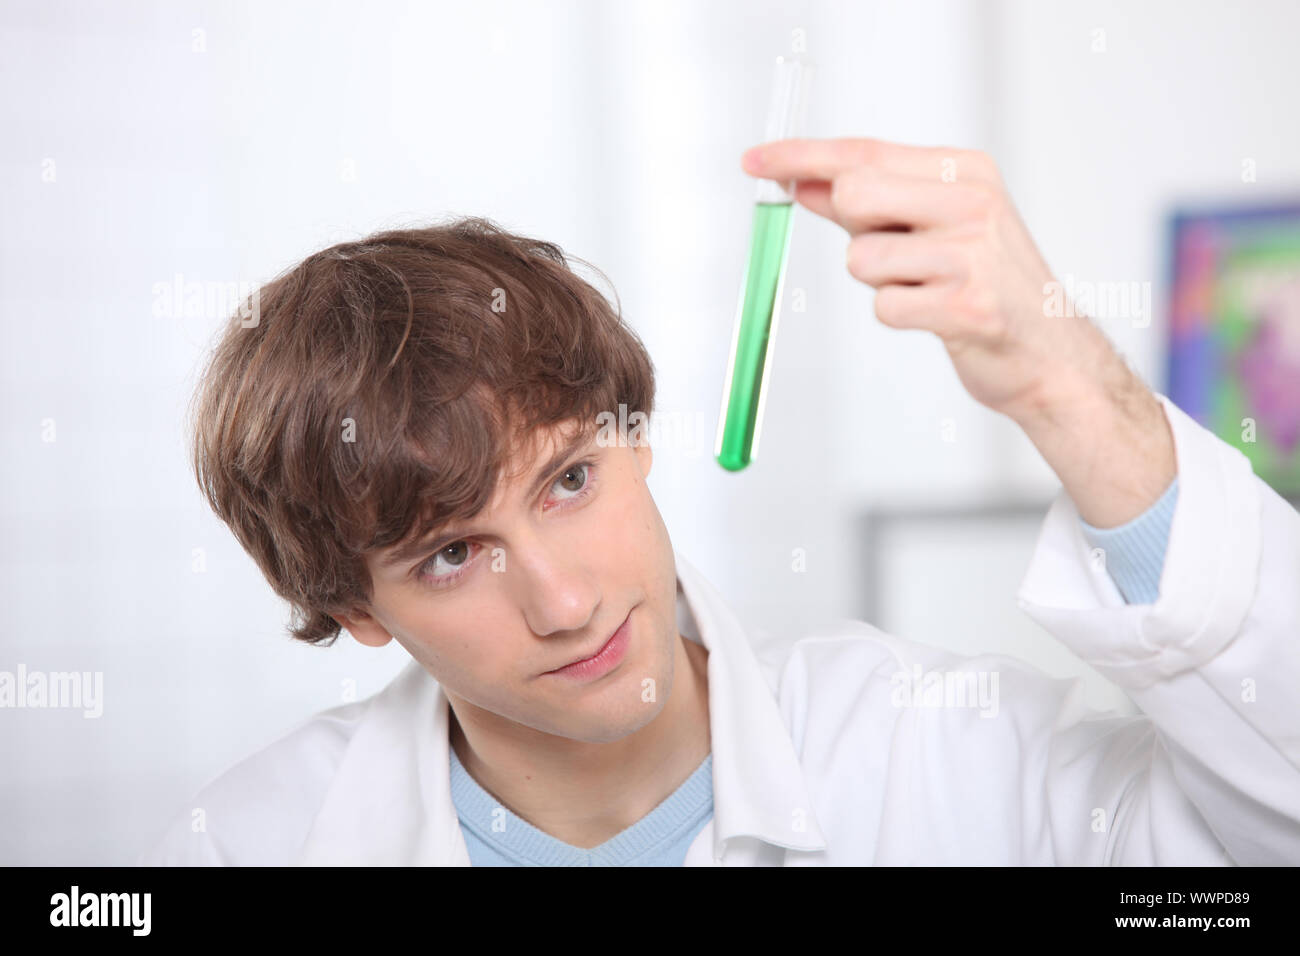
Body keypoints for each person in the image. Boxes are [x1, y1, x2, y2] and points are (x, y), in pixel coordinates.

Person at [138, 138, 1300, 866]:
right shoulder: (248, 843)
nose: (565, 597)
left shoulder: (943, 753)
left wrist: (1069, 389)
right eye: (451, 552)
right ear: (353, 607)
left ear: (638, 444)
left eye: (570, 479)